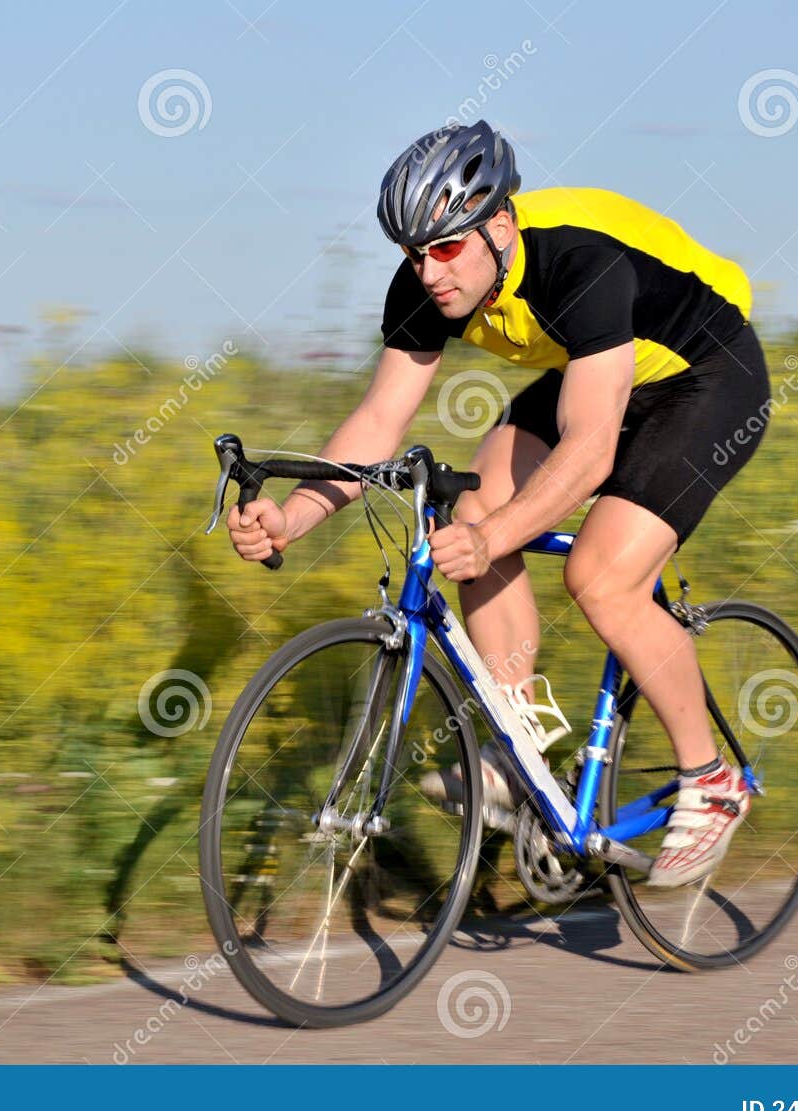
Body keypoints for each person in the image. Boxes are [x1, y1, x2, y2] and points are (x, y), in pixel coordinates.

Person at [226, 120, 770, 887]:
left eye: (446, 248)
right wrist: (295, 515)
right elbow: (379, 422)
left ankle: (710, 781)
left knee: (600, 575)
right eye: (414, 254)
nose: (428, 272)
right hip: (603, 368)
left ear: (500, 226)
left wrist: (496, 540)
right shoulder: (429, 283)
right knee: (469, 515)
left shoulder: (579, 262)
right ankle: (518, 746)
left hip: (705, 373)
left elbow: (590, 450)